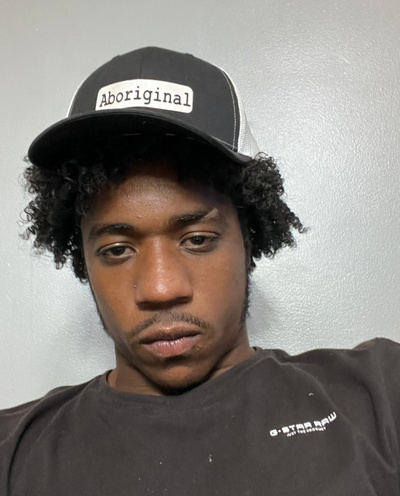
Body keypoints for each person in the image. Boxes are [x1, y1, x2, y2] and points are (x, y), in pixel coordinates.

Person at [1, 47, 399, 495]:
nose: (161, 288)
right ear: (83, 260)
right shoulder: (13, 453)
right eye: (117, 249)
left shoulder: (380, 397)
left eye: (197, 240)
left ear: (249, 237)